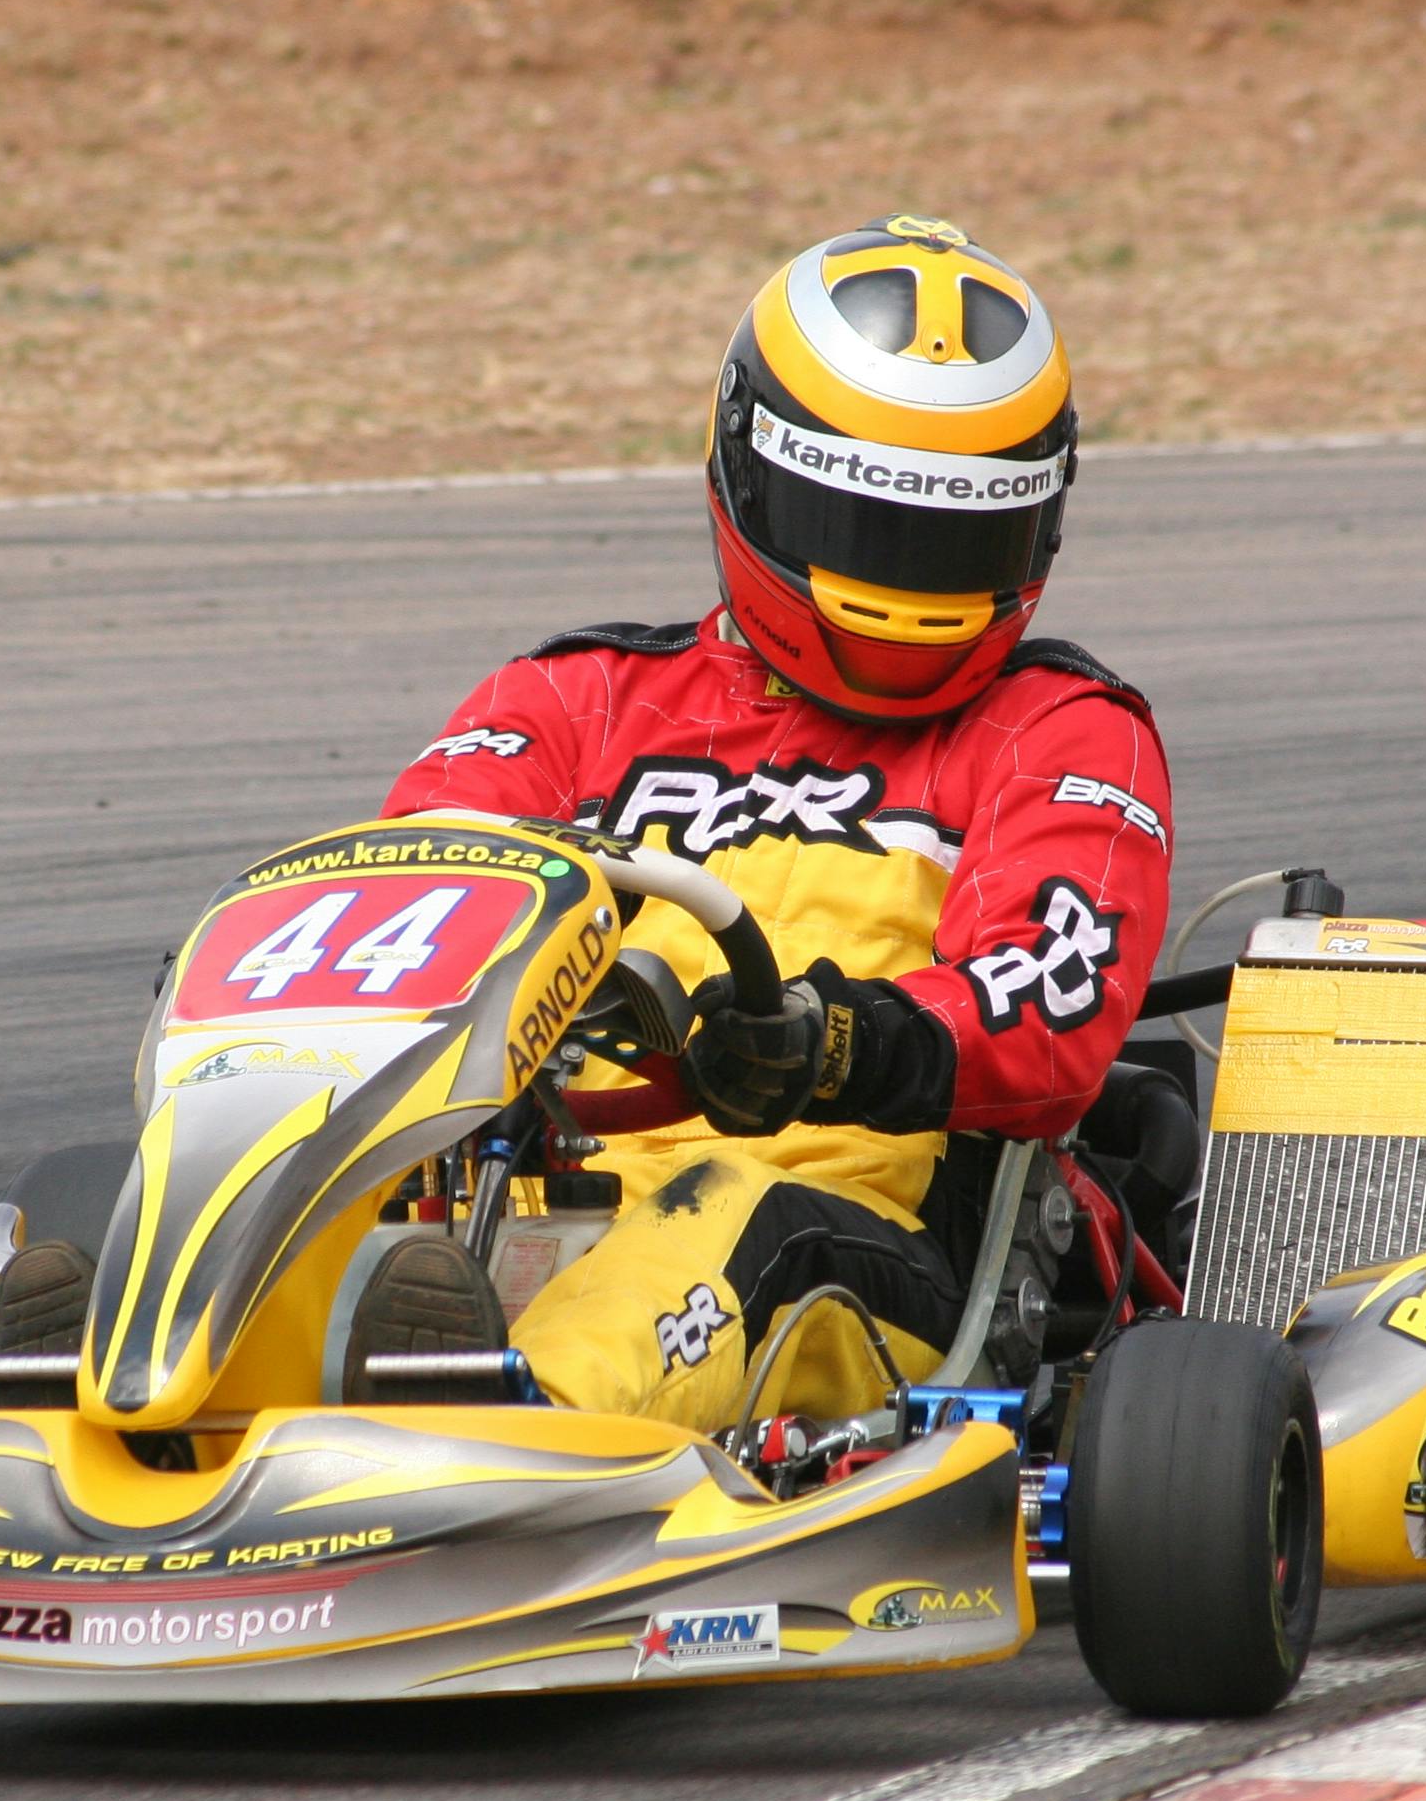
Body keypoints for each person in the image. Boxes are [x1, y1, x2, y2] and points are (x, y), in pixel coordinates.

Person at [352, 214, 1173, 1434]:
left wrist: (833, 1043)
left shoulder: (1059, 729)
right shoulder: (575, 700)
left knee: (721, 1204)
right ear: (750, 468)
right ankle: (133, 1389)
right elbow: (407, 896)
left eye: (958, 538)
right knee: (318, 1214)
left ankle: (499, 1433)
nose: (906, 585)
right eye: (865, 529)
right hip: (529, 1202)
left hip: (860, 1241)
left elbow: (1049, 1008)